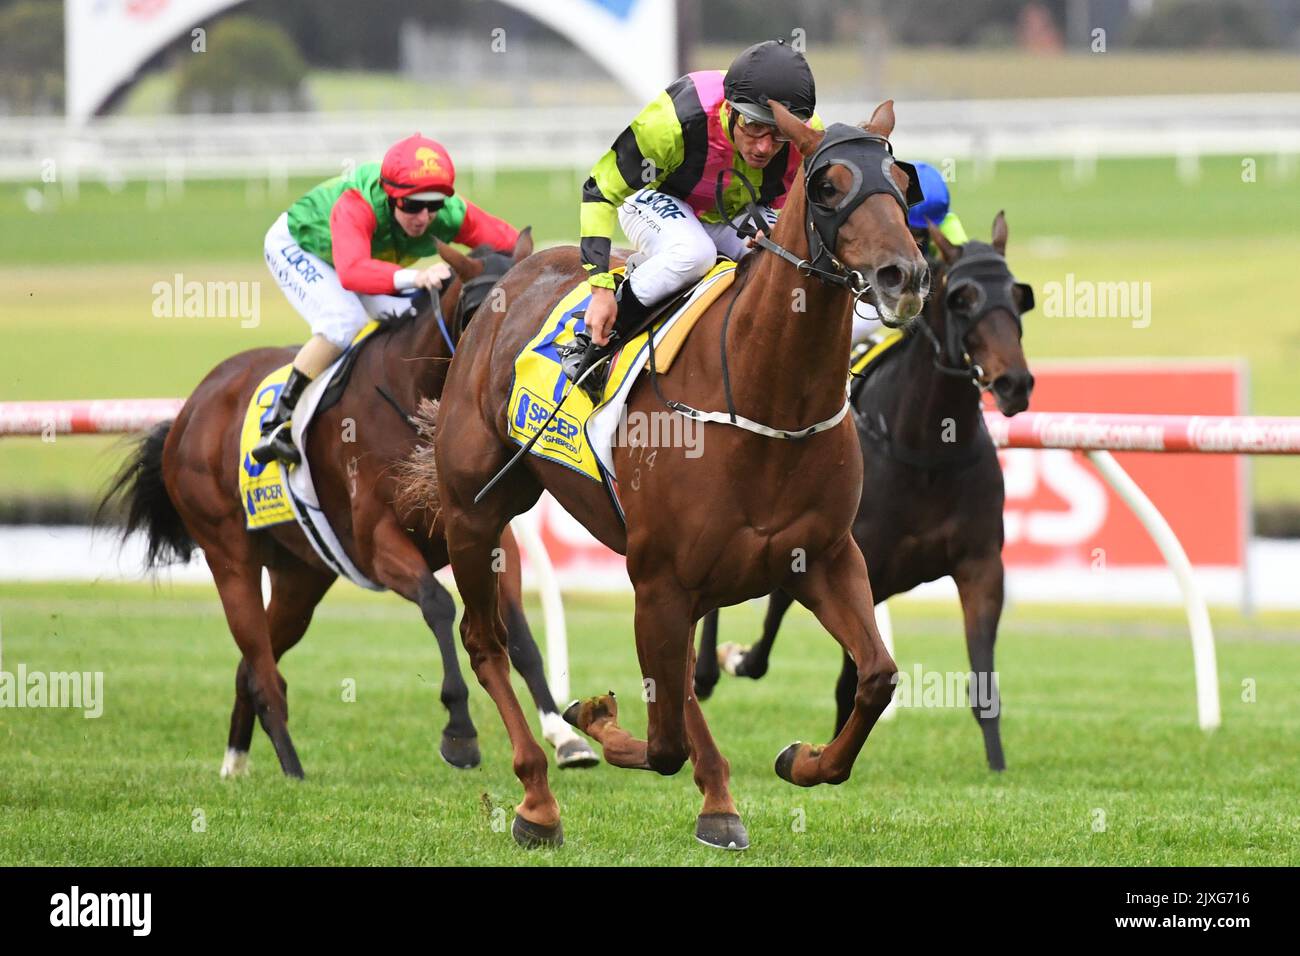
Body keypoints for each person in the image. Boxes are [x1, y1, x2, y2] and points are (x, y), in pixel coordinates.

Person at [563, 38, 822, 398]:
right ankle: (592, 344)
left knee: (788, 259)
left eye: (778, 132)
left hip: (735, 210)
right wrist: (600, 289)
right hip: (655, 197)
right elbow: (599, 190)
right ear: (729, 111)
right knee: (693, 252)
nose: (764, 146)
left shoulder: (805, 136)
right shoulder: (675, 119)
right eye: (752, 126)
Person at [253, 133, 519, 465]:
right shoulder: (356, 204)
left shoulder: (452, 214)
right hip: (303, 249)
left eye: (433, 204)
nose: (423, 216)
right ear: (390, 196)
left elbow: (512, 243)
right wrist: (416, 276)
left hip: (360, 260)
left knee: (414, 314)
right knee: (343, 322)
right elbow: (351, 273)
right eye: (411, 205)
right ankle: (277, 421)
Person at [850, 160, 970, 345]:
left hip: (922, 298)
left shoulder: (949, 229)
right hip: (873, 291)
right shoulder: (871, 217)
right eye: (908, 230)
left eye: (921, 233)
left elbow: (965, 274)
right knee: (860, 327)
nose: (914, 240)